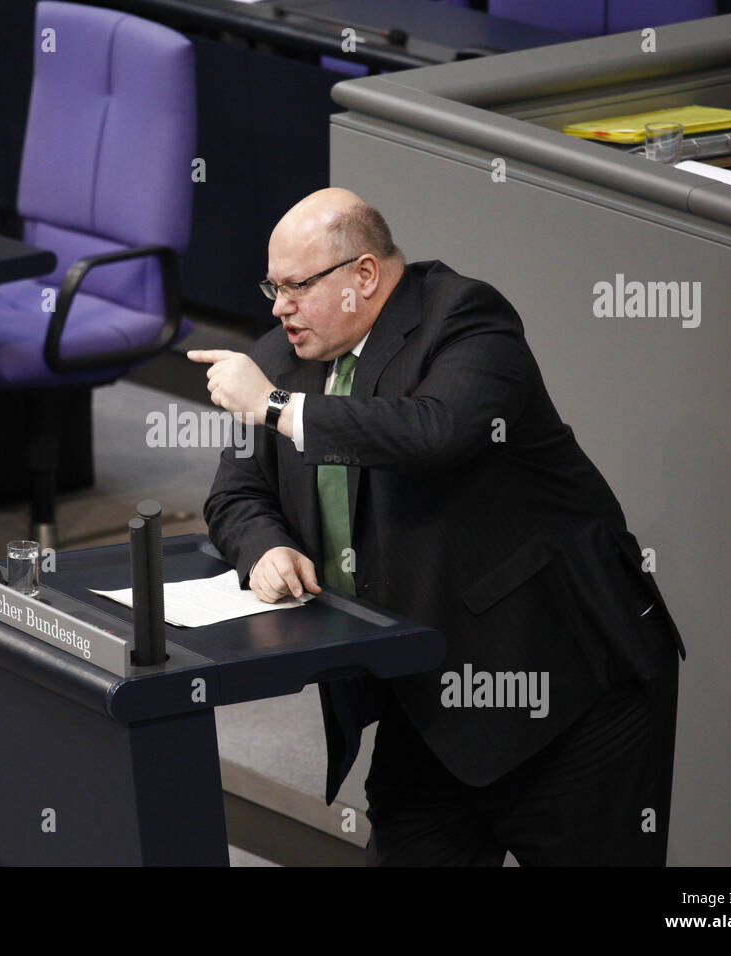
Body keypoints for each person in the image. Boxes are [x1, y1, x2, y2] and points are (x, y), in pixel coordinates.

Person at [190, 188, 686, 866]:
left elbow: (435, 431)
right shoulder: (286, 352)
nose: (278, 309)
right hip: (428, 702)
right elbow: (237, 493)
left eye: (296, 287)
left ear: (362, 275)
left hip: (568, 693)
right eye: (272, 288)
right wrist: (266, 545)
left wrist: (277, 406)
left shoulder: (465, 321)